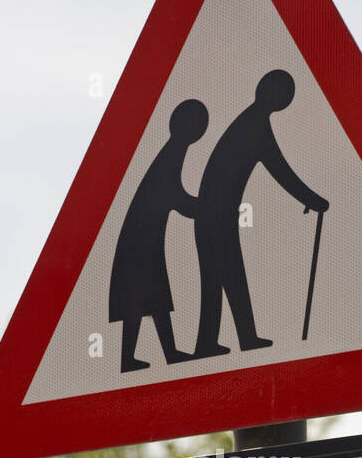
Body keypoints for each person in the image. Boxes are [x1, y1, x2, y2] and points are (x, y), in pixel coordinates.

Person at [192, 70, 328, 359]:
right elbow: (280, 170)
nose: (285, 99)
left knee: (217, 279)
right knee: (229, 276)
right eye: (283, 94)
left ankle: (211, 343)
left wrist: (312, 200)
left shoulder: (250, 120)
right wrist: (314, 200)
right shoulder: (255, 126)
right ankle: (244, 339)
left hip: (211, 214)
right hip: (216, 216)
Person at [109, 99, 208, 372]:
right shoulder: (173, 152)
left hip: (145, 240)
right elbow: (173, 194)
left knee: (153, 297)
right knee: (139, 300)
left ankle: (167, 353)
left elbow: (173, 195)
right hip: (140, 243)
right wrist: (206, 206)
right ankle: (130, 359)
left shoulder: (173, 150)